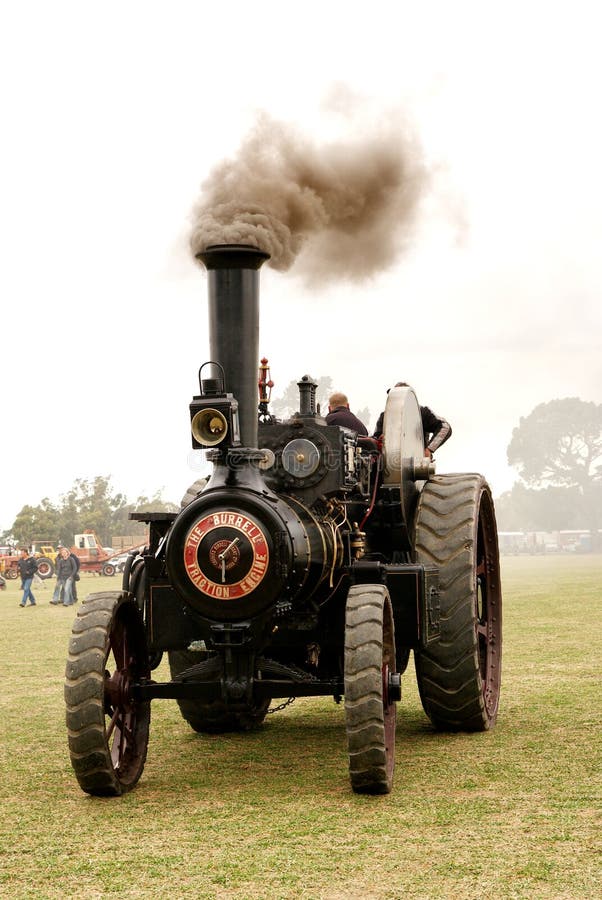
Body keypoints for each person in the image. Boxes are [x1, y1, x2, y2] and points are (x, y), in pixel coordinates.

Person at [373, 382, 452, 458]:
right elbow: (375, 440)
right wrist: (381, 439)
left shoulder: (422, 413)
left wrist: (429, 449)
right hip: (391, 465)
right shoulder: (385, 416)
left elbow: (445, 427)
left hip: (417, 465)